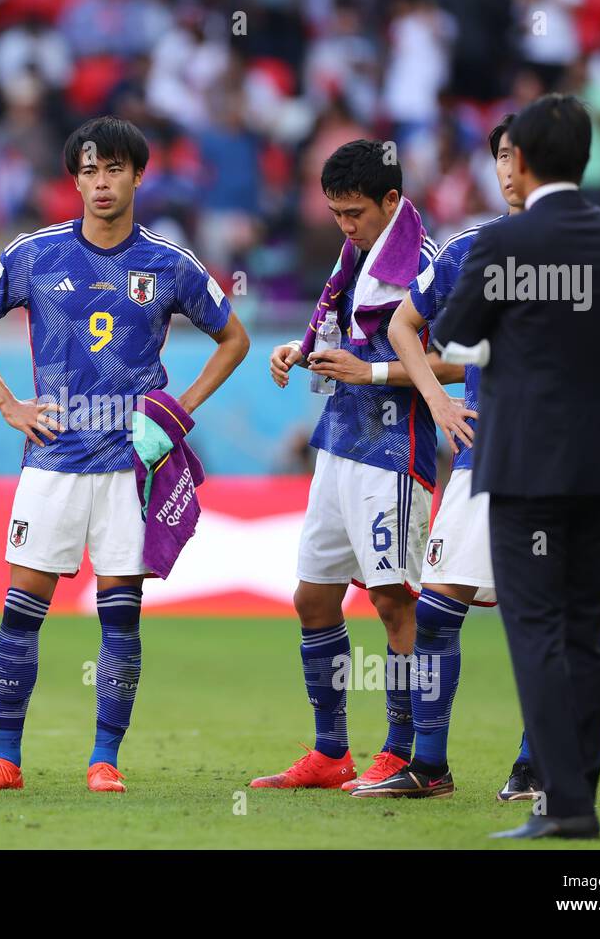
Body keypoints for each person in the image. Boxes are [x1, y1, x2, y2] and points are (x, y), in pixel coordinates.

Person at [364, 115, 600, 802]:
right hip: (490, 454)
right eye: (501, 157)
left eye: (517, 156)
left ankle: (532, 765)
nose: (507, 170)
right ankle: (431, 765)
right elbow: (403, 324)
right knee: (438, 611)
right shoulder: (473, 246)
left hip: (561, 458)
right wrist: (439, 400)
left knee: (541, 618)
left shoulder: (594, 243)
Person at [0, 116, 248, 793]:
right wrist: (8, 404)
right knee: (21, 610)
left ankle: (104, 760)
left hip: (128, 469)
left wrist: (178, 411)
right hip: (52, 462)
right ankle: (4, 758)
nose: (101, 183)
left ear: (139, 175)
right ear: (74, 179)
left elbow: (234, 338)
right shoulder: (34, 254)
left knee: (120, 615)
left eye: (114, 169)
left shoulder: (169, 263)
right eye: (88, 171)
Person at [431, 94, 600, 839]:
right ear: (587, 159)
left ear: (519, 160)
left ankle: (560, 806)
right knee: (587, 633)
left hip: (525, 464)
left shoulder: (503, 245)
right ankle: (577, 799)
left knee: (534, 632)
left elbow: (457, 337)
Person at [253, 140, 458, 792]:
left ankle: (404, 752)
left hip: (394, 452)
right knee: (313, 597)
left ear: (391, 202)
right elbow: (346, 337)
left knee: (395, 600)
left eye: (355, 212)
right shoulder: (355, 257)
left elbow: (458, 360)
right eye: (336, 213)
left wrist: (371, 371)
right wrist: (300, 347)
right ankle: (331, 751)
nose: (345, 225)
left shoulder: (425, 263)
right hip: (340, 440)